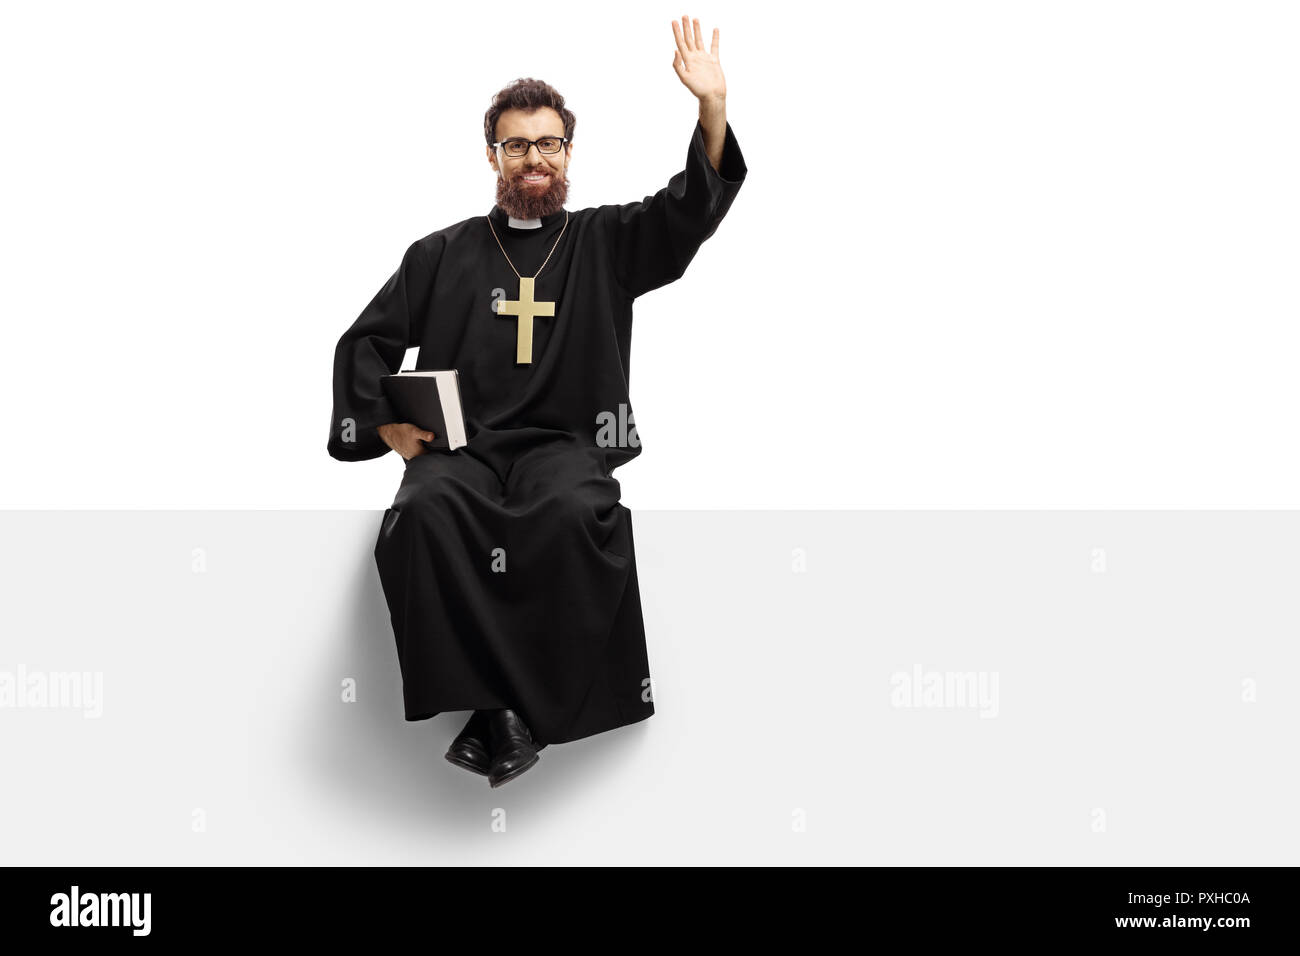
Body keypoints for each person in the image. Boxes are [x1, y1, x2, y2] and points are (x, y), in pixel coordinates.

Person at [327, 16, 746, 787]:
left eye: (548, 143)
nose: (534, 158)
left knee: (572, 518)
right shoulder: (440, 253)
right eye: (516, 144)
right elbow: (366, 341)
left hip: (565, 447)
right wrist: (384, 424)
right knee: (420, 515)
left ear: (568, 153)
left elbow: (690, 211)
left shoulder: (607, 241)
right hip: (461, 450)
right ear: (492, 155)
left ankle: (501, 713)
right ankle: (505, 712)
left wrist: (710, 110)